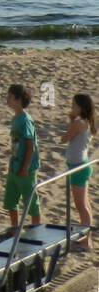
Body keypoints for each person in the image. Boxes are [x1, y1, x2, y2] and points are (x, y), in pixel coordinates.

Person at [4, 84, 41, 230]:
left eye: (10, 96)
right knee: (11, 200)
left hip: (26, 168)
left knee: (30, 201)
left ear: (18, 99)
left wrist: (25, 167)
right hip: (15, 165)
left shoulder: (25, 120)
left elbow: (30, 146)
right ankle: (15, 229)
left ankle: (36, 229)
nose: (7, 99)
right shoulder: (16, 118)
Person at [63, 93, 94, 250]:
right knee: (85, 204)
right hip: (81, 164)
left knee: (81, 205)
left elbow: (65, 138)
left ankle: (86, 241)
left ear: (80, 107)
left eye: (74, 105)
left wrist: (71, 122)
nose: (71, 108)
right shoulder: (85, 121)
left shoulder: (79, 122)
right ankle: (86, 238)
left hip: (78, 167)